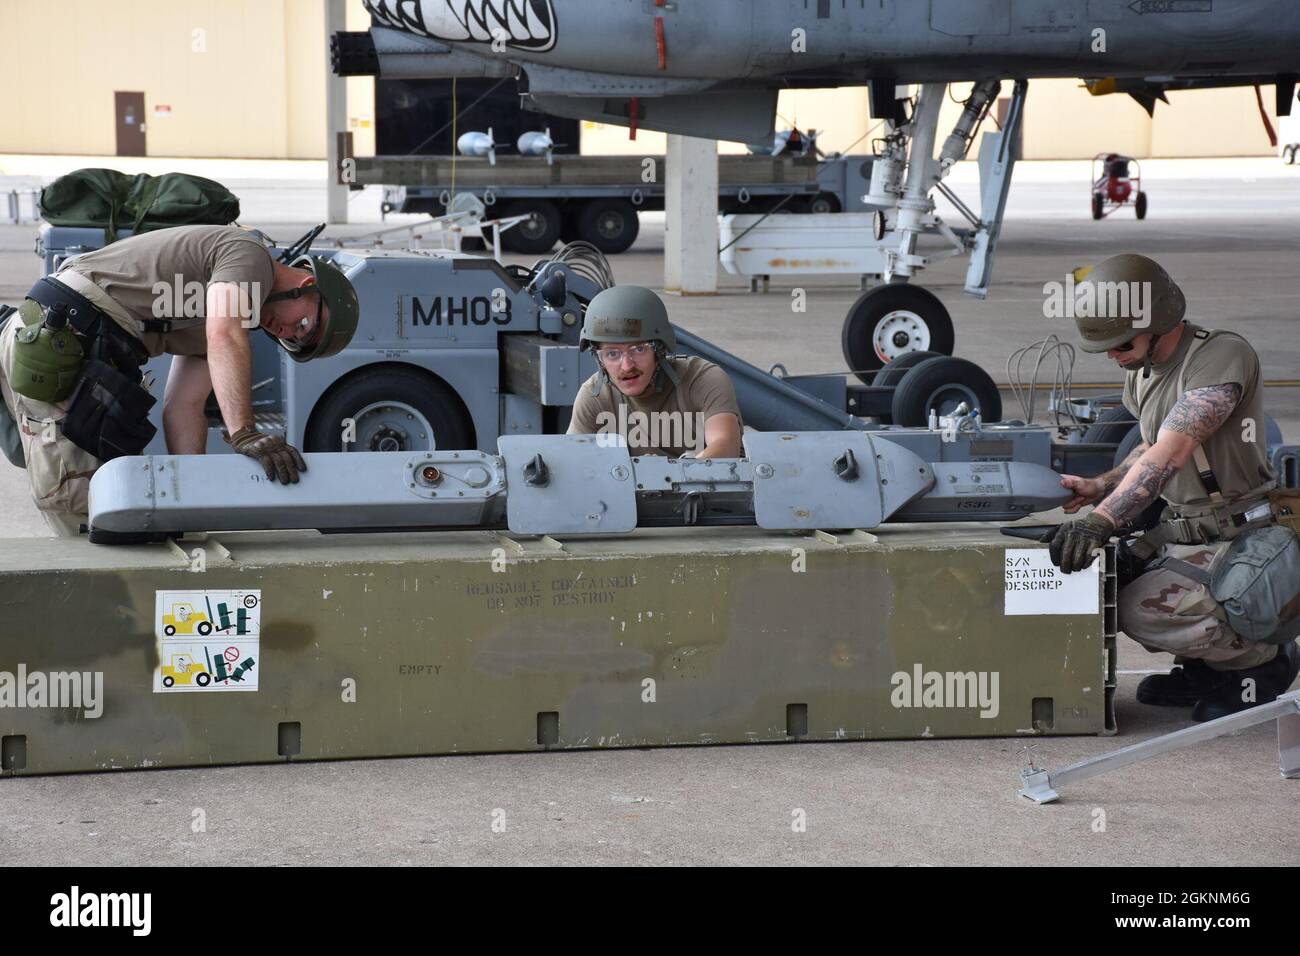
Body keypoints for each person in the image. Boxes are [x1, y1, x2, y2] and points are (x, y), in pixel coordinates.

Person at [1049, 253, 1298, 721]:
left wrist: (1101, 521)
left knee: (1143, 609)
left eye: (1122, 343)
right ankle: (1207, 666)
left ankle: (1263, 663)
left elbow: (1174, 450)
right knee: (1109, 585)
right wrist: (1099, 486)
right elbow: (1149, 446)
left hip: (1241, 533)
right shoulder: (1142, 372)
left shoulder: (1221, 357)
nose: (1114, 356)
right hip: (1186, 529)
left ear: (1159, 322)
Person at [0, 224, 358, 535]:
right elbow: (225, 335)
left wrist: (191, 502)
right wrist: (244, 432)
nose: (288, 332)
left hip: (66, 346)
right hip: (61, 342)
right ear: (307, 285)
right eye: (305, 324)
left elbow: (183, 407)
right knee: (88, 509)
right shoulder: (250, 256)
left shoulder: (225, 317)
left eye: (296, 340)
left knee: (114, 501)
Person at [568, 286, 742, 459]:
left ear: (660, 350)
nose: (627, 366)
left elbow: (725, 446)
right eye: (612, 354)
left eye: (638, 349)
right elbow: (574, 462)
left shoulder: (702, 379)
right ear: (599, 359)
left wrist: (666, 474)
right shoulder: (595, 397)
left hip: (706, 485)